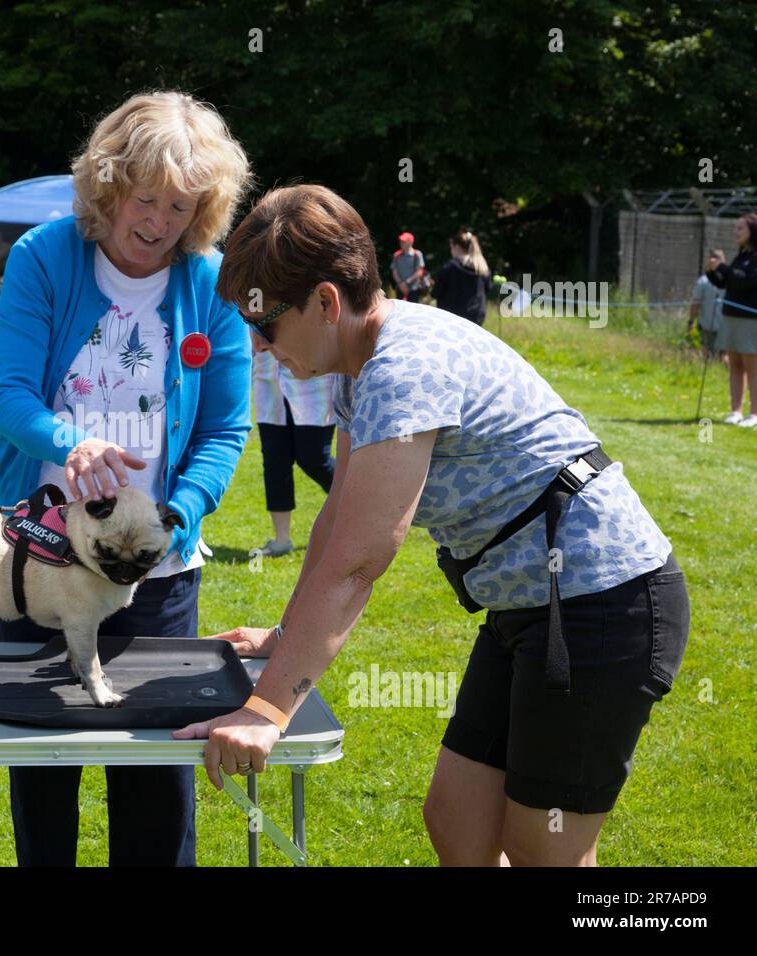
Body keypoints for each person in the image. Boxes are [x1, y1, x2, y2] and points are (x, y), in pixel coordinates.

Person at [177, 184, 688, 867]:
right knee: (458, 822)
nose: (259, 347)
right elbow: (335, 522)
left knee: (546, 849)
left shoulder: (402, 369)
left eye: (265, 325)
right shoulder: (359, 367)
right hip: (533, 607)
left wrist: (266, 713)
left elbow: (360, 562)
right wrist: (285, 637)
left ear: (327, 303)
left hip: (603, 605)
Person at [0, 90, 252, 866]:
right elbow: (10, 396)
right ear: (107, 187)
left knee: (154, 775)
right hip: (39, 556)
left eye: (181, 205)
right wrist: (71, 446)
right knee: (45, 766)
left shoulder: (211, 282)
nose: (161, 221)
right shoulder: (42, 255)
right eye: (146, 199)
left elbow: (225, 428)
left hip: (156, 571)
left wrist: (183, 513)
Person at [253, 348, 336, 556]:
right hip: (269, 382)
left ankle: (360, 503)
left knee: (314, 458)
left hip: (314, 383)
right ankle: (281, 540)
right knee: (275, 461)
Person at [706, 215, 757, 427]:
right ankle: (736, 411)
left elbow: (744, 281)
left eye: (740, 228)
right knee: (735, 365)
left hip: (750, 319)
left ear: (753, 231)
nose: (735, 232)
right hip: (731, 316)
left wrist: (723, 267)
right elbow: (727, 282)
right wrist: (712, 272)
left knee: (752, 367)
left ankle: (754, 414)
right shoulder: (741, 255)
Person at [432, 227, 491, 325]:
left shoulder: (451, 266)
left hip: (452, 317)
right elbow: (488, 289)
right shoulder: (482, 268)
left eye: (451, 247)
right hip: (476, 317)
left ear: (457, 247)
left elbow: (436, 290)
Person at [390, 230, 428, 302]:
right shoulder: (396, 255)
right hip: (400, 288)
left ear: (410, 242)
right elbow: (394, 271)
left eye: (404, 241)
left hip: (414, 289)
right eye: (401, 241)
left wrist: (406, 283)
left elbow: (419, 271)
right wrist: (401, 284)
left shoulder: (417, 254)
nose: (401, 243)